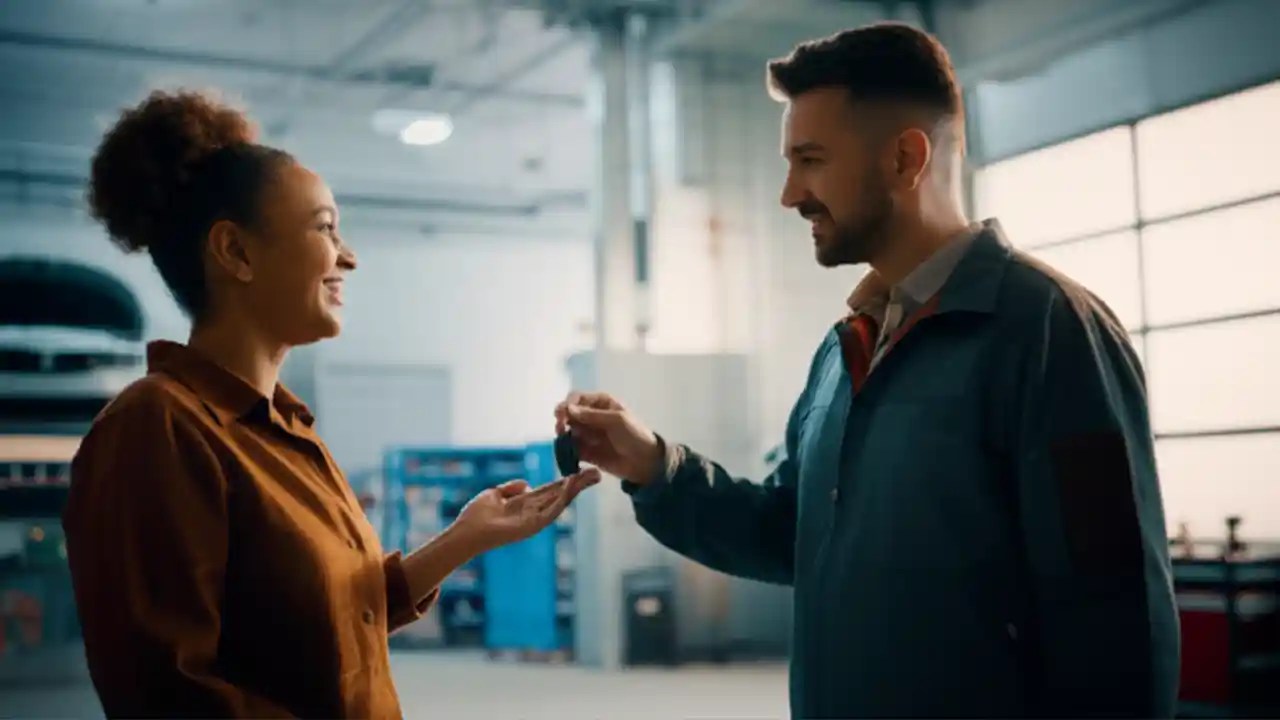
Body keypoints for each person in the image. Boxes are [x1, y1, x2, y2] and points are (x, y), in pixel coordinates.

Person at [556, 22, 1178, 719]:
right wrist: (654, 466)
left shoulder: (1049, 333)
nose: (789, 193)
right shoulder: (847, 347)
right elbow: (790, 532)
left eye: (811, 160)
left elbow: (1114, 619)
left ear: (905, 159)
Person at [63, 90, 600, 719]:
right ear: (235, 252)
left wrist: (464, 539)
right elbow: (168, 695)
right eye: (324, 227)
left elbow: (336, 621)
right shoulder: (156, 428)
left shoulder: (286, 429)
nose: (348, 255)